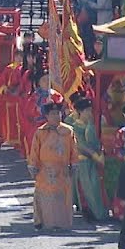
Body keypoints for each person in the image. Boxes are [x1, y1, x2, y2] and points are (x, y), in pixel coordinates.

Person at [27, 97, 78, 231]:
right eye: (53, 114)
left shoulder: (68, 131)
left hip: (62, 170)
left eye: (58, 113)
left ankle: (61, 223)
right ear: (47, 116)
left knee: (61, 198)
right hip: (45, 171)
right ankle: (42, 221)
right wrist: (33, 166)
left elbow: (73, 150)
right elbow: (35, 151)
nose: (56, 116)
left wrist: (74, 165)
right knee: (44, 196)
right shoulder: (40, 132)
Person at [69, 98, 108, 224]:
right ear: (80, 112)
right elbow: (80, 145)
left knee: (96, 187)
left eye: (90, 110)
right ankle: (91, 212)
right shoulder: (75, 127)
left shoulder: (91, 124)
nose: (89, 113)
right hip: (83, 161)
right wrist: (95, 156)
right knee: (88, 187)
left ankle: (98, 212)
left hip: (94, 160)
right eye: (87, 111)